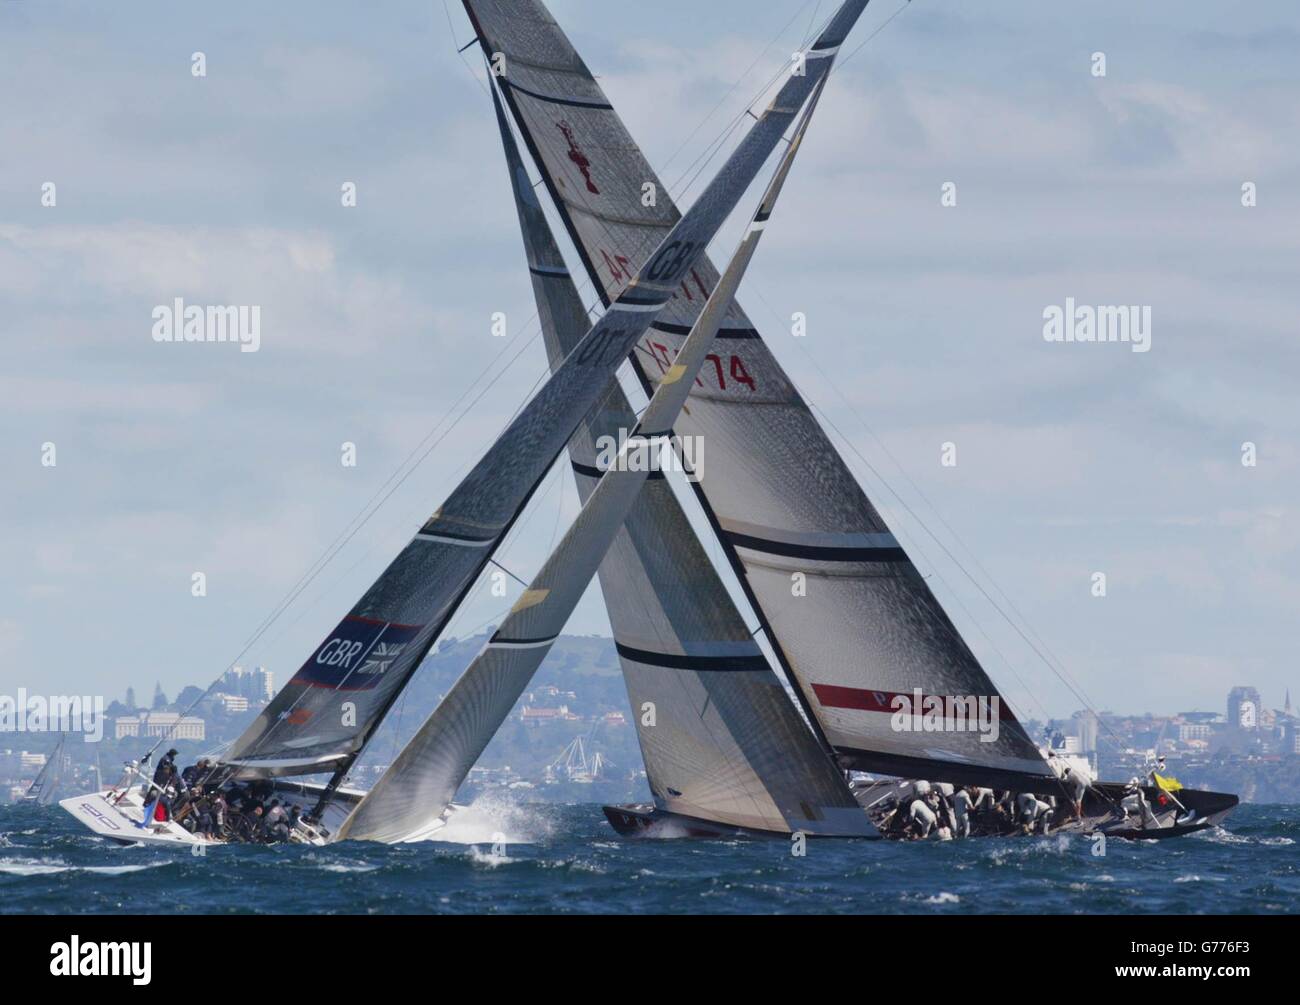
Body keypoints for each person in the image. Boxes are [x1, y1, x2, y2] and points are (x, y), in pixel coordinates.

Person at [140, 749, 180, 827]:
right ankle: (147, 803)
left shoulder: (170, 759)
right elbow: (165, 767)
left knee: (158, 791)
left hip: (164, 778)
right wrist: (171, 767)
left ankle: (150, 803)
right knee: (154, 789)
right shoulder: (166, 758)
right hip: (160, 776)